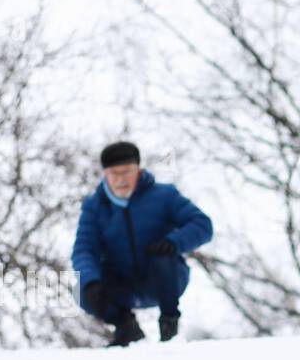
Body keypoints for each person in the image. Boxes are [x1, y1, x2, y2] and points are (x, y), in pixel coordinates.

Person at [71, 141, 213, 346]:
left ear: (138, 170)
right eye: (114, 173)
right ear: (105, 175)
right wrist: (91, 281)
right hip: (121, 284)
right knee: (82, 284)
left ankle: (169, 324)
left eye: (127, 171)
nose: (121, 179)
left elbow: (202, 224)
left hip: (163, 280)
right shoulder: (94, 207)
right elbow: (84, 249)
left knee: (162, 256)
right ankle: (126, 327)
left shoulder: (165, 195)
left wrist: (174, 242)